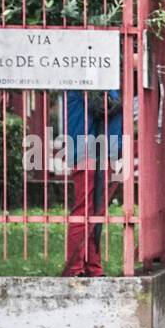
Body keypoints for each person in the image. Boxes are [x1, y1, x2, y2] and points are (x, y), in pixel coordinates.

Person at [60, 89, 123, 277]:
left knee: (96, 211)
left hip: (100, 148)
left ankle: (92, 266)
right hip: (87, 149)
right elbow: (103, 107)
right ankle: (75, 267)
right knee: (85, 209)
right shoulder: (88, 79)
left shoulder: (104, 79)